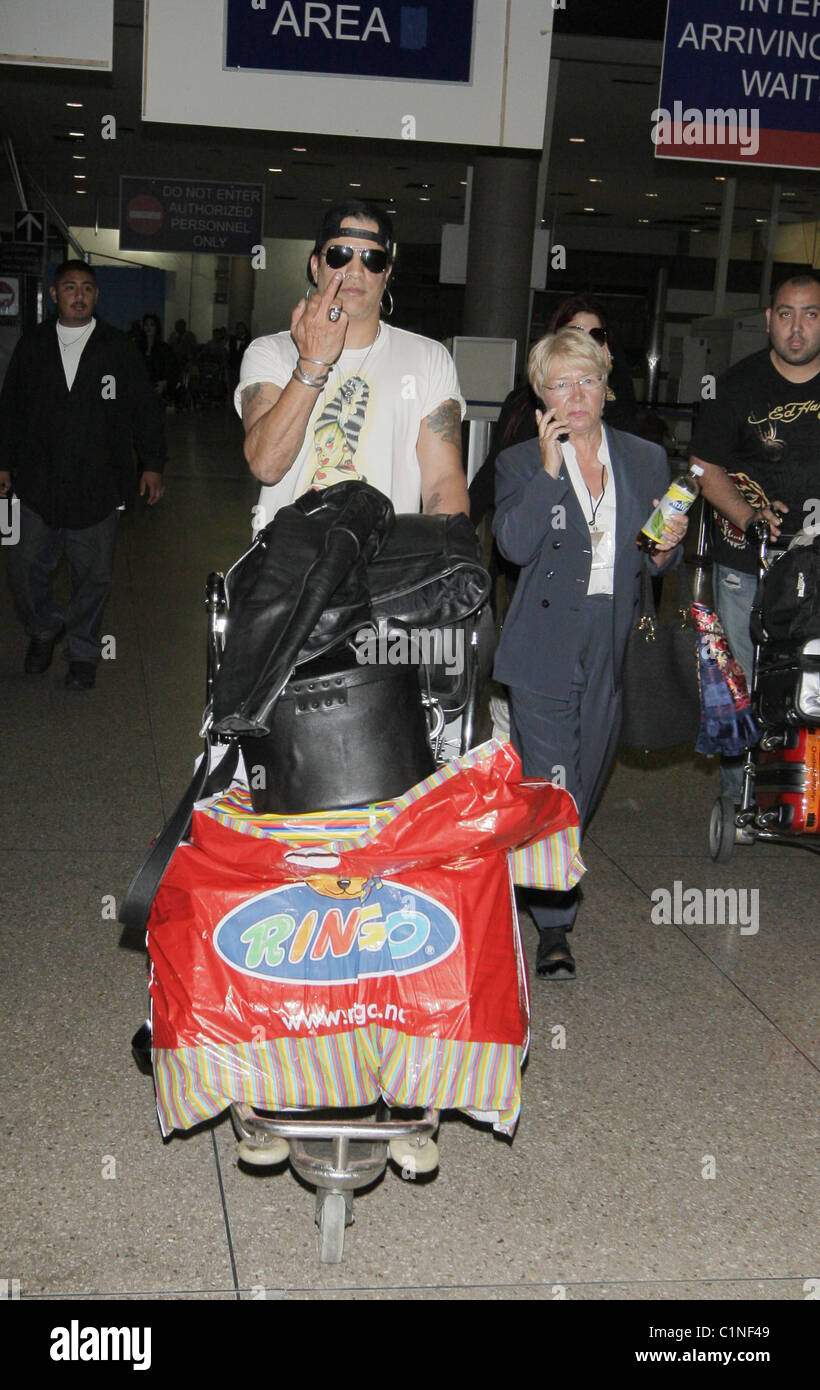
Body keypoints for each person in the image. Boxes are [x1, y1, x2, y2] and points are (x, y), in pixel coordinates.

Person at [493, 328, 685, 980]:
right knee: (554, 783)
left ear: (606, 386)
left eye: (587, 381)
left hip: (615, 637)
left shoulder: (646, 457)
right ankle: (553, 926)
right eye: (559, 385)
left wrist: (668, 546)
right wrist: (550, 474)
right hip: (545, 642)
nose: (575, 397)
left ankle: (531, 875)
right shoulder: (521, 462)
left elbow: (658, 557)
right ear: (541, 395)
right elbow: (514, 547)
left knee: (588, 777)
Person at [237, 199, 468, 525]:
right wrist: (313, 361)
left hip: (382, 567)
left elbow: (443, 480)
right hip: (288, 566)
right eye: (340, 255)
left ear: (386, 273)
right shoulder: (270, 353)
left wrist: (444, 558)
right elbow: (267, 465)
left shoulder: (429, 359)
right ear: (316, 266)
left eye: (372, 259)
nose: (355, 271)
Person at [0, 260, 165, 690]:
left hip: (99, 485)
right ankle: (43, 628)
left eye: (87, 288)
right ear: (54, 295)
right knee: (22, 569)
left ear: (96, 295)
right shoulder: (33, 345)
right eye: (70, 287)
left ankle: (84, 652)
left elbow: (144, 408)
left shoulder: (117, 347)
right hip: (36, 485)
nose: (79, 295)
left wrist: (152, 463)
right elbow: (10, 408)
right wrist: (3, 462)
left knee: (93, 578)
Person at [689, 272, 820, 800]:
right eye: (786, 314)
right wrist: (747, 514)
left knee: (811, 670)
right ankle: (738, 793)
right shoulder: (735, 385)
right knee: (742, 676)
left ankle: (804, 785)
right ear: (769, 319)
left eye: (811, 314)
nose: (796, 328)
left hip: (817, 562)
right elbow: (702, 466)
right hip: (749, 561)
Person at [141, 313, 173, 405]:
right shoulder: (137, 347)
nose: (148, 327)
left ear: (157, 327)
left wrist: (165, 382)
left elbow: (170, 368)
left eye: (152, 325)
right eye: (146, 325)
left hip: (158, 387)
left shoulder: (164, 348)